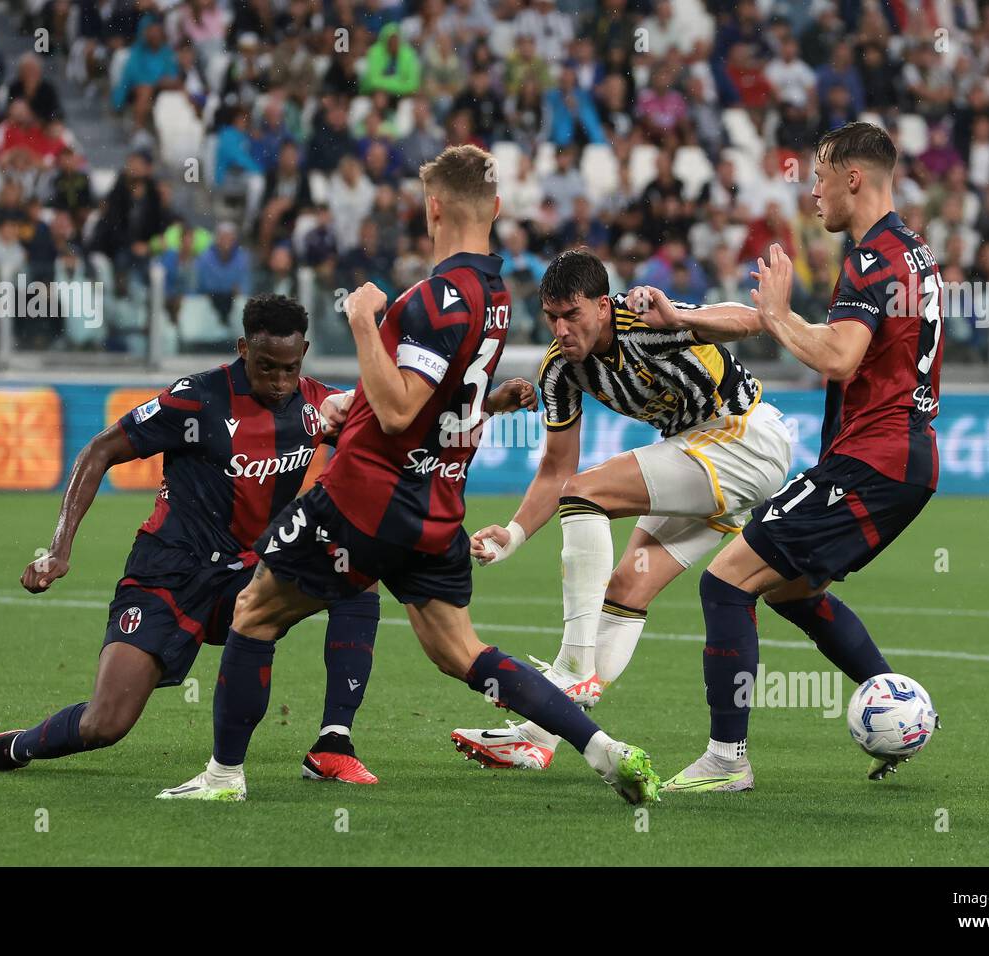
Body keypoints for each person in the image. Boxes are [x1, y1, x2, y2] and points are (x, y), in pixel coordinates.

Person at [158, 145, 661, 805]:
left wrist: (364, 324)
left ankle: (223, 777)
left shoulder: (434, 298)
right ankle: (605, 750)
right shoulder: (496, 294)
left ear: (432, 210)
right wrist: (375, 405)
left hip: (367, 499)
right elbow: (438, 394)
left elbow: (399, 411)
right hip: (434, 509)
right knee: (462, 652)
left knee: (254, 612)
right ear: (497, 209)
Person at [0, 295, 405, 784]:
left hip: (243, 577)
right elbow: (98, 451)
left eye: (291, 368)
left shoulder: (316, 404)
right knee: (105, 723)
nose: (280, 382)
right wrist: (58, 548)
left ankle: (332, 742)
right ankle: (11, 747)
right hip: (169, 571)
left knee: (356, 569)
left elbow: (393, 444)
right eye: (267, 367)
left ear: (304, 351)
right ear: (244, 348)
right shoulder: (197, 398)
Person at [452, 248, 791, 786]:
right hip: (703, 457)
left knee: (588, 494)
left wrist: (682, 316)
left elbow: (752, 322)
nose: (562, 329)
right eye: (552, 317)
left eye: (573, 315)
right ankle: (538, 739)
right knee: (624, 589)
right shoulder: (561, 370)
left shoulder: (647, 321)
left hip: (744, 438)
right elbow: (555, 469)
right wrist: (514, 533)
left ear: (603, 306)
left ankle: (574, 668)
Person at [698, 121, 942, 787]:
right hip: (905, 460)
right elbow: (842, 339)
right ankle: (902, 714)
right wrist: (691, 319)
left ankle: (727, 761)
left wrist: (777, 317)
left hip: (872, 458)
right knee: (793, 592)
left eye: (821, 177)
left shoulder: (869, 259)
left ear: (852, 179)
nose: (814, 193)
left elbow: (838, 354)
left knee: (724, 581)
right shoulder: (912, 252)